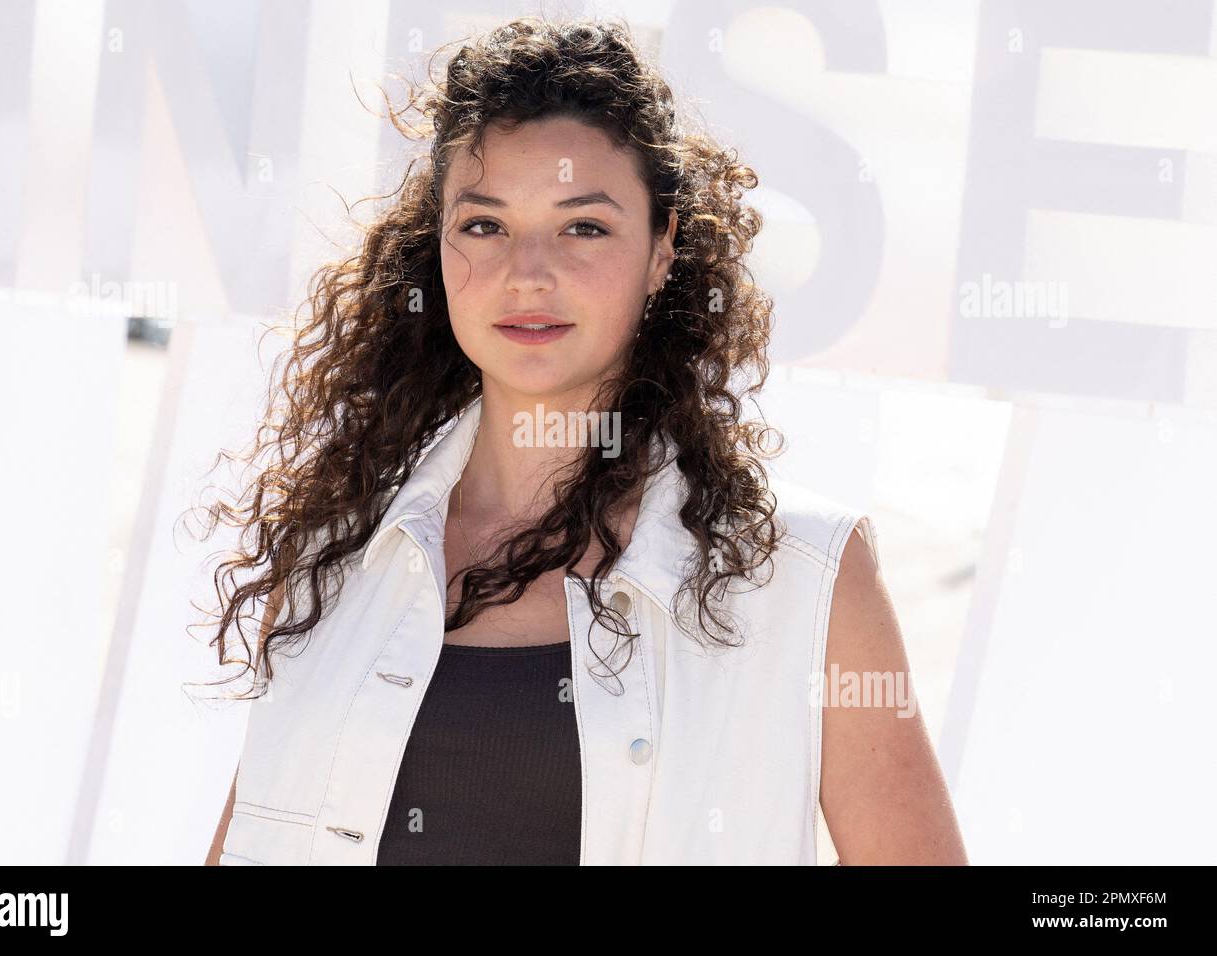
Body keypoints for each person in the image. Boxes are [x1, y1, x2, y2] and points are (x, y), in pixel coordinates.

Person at [198, 16, 966, 866]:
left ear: (663, 248)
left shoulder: (805, 578)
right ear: (438, 244)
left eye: (584, 227)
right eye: (485, 225)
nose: (528, 271)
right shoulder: (337, 553)